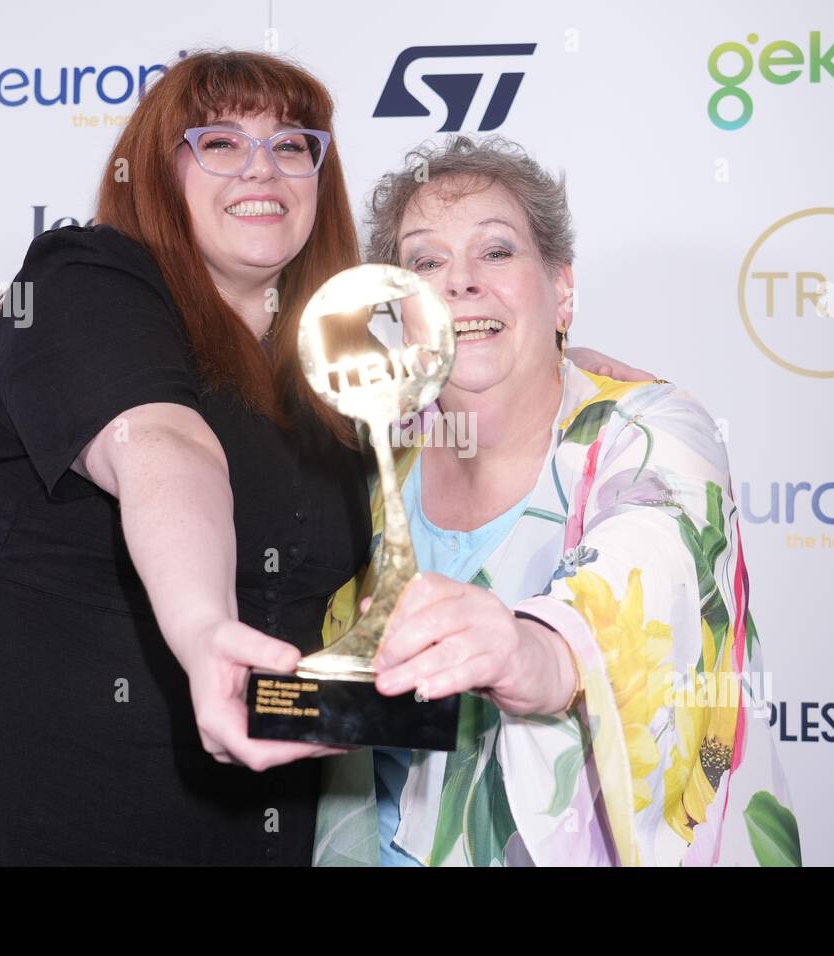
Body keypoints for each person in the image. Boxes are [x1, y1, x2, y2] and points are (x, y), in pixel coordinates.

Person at [0, 50, 371, 865]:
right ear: (152, 171)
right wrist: (207, 627)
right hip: (38, 806)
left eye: (291, 144)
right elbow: (163, 447)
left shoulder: (333, 372)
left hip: (253, 807)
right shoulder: (84, 282)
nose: (263, 168)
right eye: (218, 143)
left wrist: (547, 368)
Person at [313, 135, 801, 867]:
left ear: (562, 288)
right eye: (425, 262)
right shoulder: (376, 456)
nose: (460, 283)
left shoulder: (651, 428)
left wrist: (539, 650)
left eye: (497, 251)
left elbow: (656, 556)